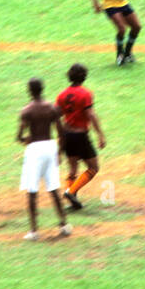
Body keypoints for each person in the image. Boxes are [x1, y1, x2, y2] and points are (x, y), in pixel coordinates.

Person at [16, 78, 71, 240]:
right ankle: (64, 225)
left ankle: (34, 231)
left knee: (32, 190)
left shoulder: (27, 111)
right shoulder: (52, 108)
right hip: (50, 147)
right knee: (54, 188)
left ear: (29, 91)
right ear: (42, 89)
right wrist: (59, 153)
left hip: (35, 150)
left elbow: (19, 136)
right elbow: (61, 133)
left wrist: (26, 139)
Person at [56, 63, 106, 211]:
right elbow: (91, 115)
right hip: (80, 136)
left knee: (72, 168)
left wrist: (60, 140)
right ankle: (70, 192)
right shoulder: (85, 94)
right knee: (93, 167)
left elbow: (57, 118)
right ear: (84, 77)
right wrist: (100, 135)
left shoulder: (61, 95)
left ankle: (72, 200)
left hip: (67, 135)